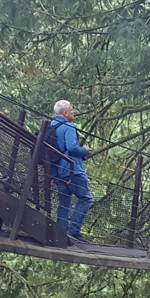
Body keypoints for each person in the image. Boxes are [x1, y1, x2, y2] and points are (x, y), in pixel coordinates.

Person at [46, 100, 92, 240]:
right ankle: (74, 231)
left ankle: (60, 232)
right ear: (65, 113)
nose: (73, 112)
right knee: (86, 198)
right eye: (71, 110)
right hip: (71, 170)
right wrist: (84, 150)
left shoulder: (51, 125)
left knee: (65, 201)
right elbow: (72, 148)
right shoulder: (68, 126)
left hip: (56, 171)